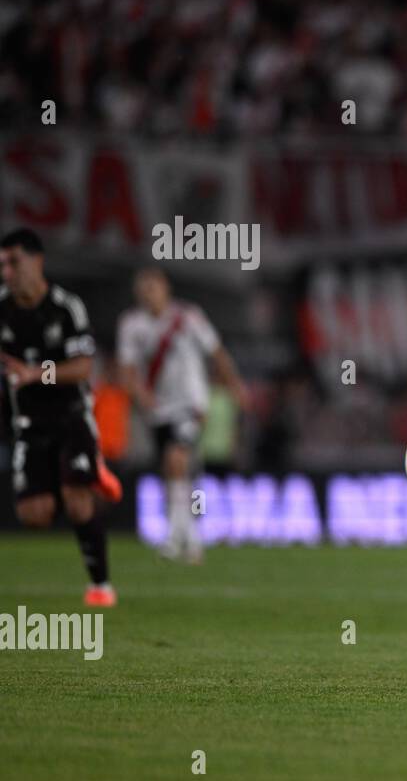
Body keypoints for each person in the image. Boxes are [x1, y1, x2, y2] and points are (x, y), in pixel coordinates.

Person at [0, 228, 122, 606]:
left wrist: (35, 373)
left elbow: (84, 368)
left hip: (71, 417)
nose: (6, 271)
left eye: (13, 262)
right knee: (34, 515)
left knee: (77, 501)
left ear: (37, 261)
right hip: (28, 422)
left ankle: (101, 587)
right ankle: (80, 475)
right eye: (2, 264)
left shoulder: (66, 307)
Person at [117, 268, 247, 563]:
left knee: (175, 461)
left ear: (166, 288)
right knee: (177, 473)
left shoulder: (188, 317)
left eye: (153, 286)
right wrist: (141, 394)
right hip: (157, 410)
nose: (148, 293)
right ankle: (192, 538)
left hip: (191, 404)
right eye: (143, 288)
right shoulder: (131, 324)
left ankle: (174, 539)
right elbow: (127, 370)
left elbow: (216, 352)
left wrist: (235, 385)